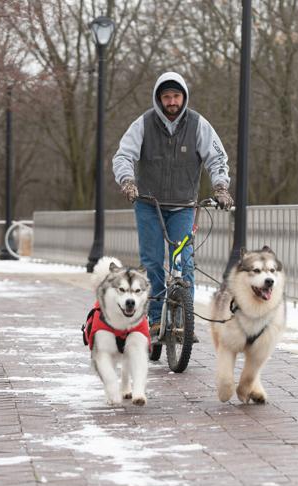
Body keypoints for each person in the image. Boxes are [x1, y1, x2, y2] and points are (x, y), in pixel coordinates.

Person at [112, 71, 234, 341]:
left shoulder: (198, 125)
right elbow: (123, 156)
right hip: (148, 205)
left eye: (176, 96)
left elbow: (217, 158)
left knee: (184, 263)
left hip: (184, 206)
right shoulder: (143, 124)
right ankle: (155, 321)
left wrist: (221, 188)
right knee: (153, 263)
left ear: (183, 97)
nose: (171, 101)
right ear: (159, 99)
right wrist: (128, 182)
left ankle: (181, 323)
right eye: (166, 96)